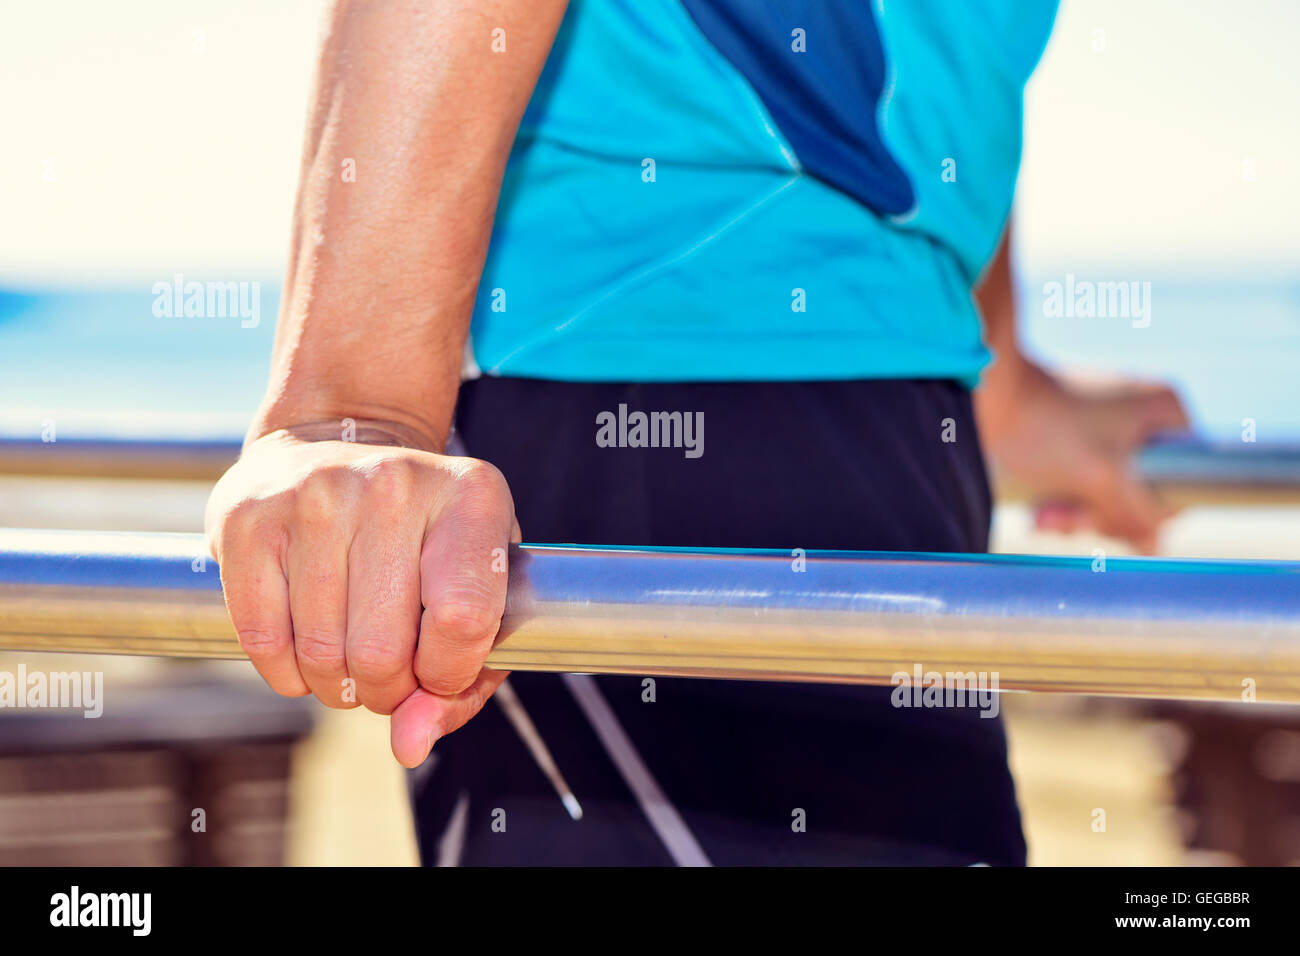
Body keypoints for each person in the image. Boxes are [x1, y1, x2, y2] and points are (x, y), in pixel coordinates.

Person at [206, 0, 1187, 865]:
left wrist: (1001, 381)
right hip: (616, 397)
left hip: (902, 418)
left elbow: (921, 85)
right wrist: (356, 401)